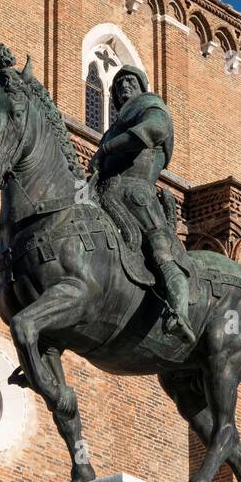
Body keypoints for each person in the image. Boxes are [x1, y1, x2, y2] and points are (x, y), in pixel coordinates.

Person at [88, 65, 195, 344]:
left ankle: (179, 314)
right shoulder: (114, 128)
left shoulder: (151, 107)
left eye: (130, 81)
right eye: (119, 83)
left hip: (138, 194)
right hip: (105, 192)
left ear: (141, 86)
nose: (124, 87)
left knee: (160, 252)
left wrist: (108, 149)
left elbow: (155, 129)